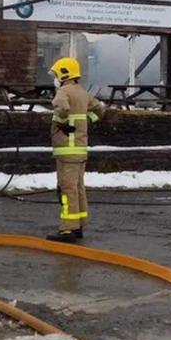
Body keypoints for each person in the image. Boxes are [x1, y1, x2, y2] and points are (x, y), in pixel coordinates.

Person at [46, 57, 106, 243]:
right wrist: (86, 121)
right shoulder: (83, 92)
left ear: (64, 73)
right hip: (80, 150)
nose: (54, 78)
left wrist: (62, 121)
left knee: (67, 189)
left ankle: (68, 229)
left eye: (56, 74)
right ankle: (79, 224)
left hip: (67, 150)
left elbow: (62, 108)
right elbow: (100, 110)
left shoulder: (63, 91)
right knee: (78, 188)